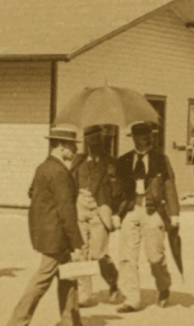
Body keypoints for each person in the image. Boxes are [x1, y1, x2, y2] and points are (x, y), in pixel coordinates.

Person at [5, 125, 84, 326]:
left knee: (69, 277)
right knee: (42, 279)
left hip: (48, 232)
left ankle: (71, 321)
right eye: (72, 146)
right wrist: (77, 243)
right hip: (57, 236)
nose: (75, 150)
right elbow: (66, 210)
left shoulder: (43, 167)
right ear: (61, 146)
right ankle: (17, 322)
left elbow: (32, 193)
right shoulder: (59, 172)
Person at [114, 120, 180, 313]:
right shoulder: (124, 160)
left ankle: (163, 286)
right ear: (134, 138)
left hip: (153, 210)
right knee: (127, 257)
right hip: (130, 209)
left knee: (155, 256)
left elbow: (169, 186)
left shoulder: (161, 159)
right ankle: (131, 299)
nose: (148, 139)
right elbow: (117, 189)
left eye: (149, 136)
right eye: (143, 136)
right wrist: (116, 213)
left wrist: (174, 213)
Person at [69, 125, 120, 306]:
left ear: (102, 141)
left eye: (97, 143)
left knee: (99, 255)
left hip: (100, 211)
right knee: (80, 253)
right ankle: (84, 295)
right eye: (90, 143)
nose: (94, 147)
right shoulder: (78, 161)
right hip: (80, 209)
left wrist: (115, 213)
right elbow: (70, 183)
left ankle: (113, 282)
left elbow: (117, 192)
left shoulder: (111, 162)